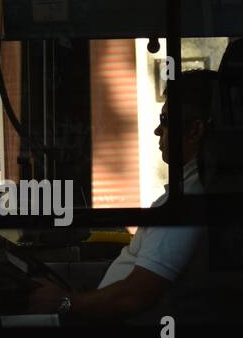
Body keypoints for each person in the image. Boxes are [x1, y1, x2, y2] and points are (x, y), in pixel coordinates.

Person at [27, 70, 214, 322]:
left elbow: (135, 296)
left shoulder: (187, 203)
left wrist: (64, 302)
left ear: (194, 130)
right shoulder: (191, 190)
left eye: (165, 120)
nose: (158, 131)